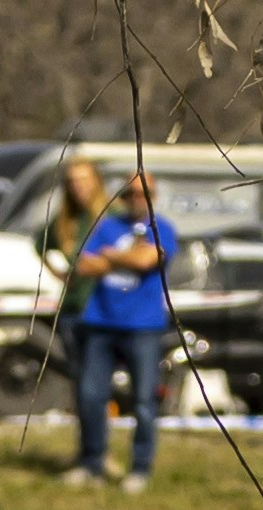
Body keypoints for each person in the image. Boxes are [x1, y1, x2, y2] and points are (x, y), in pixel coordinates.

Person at [70, 165, 181, 489]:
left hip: (142, 326)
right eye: (129, 194)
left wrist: (113, 257)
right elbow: (85, 265)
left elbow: (149, 260)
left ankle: (140, 468)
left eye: (142, 193)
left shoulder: (162, 228)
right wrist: (128, 256)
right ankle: (91, 462)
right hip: (100, 321)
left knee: (144, 400)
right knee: (91, 395)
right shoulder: (106, 226)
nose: (135, 199)